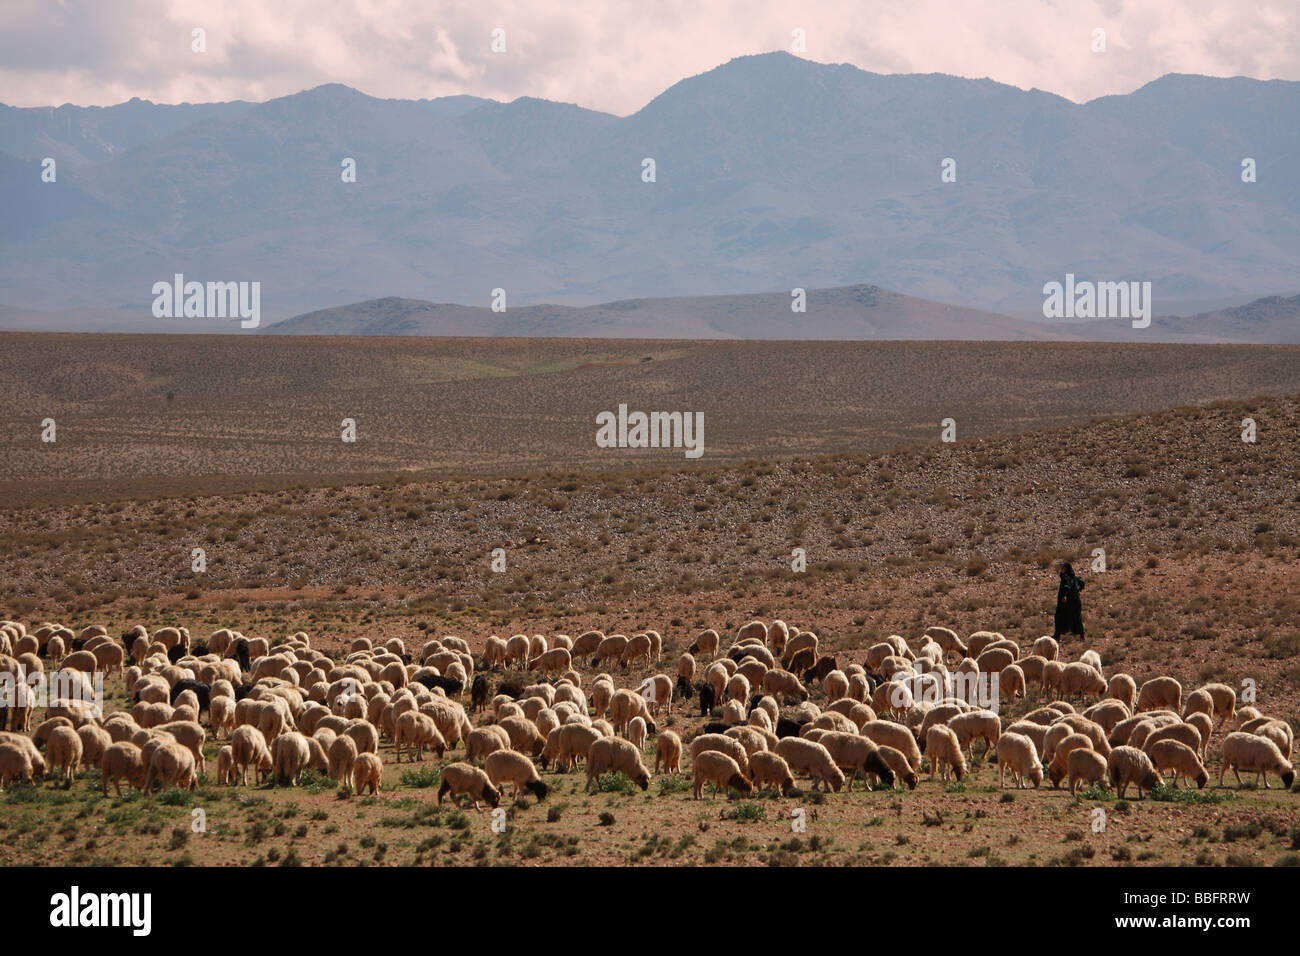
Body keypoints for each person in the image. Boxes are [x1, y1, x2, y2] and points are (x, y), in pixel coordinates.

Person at [1052, 561, 1086, 641]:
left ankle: (1057, 635)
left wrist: (1064, 595)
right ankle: (1081, 636)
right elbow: (1082, 583)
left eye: (1063, 568)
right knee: (1076, 619)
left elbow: (1066, 587)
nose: (1061, 569)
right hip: (1074, 603)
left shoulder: (1066, 577)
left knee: (1060, 617)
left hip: (1067, 604)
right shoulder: (1073, 577)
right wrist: (1078, 590)